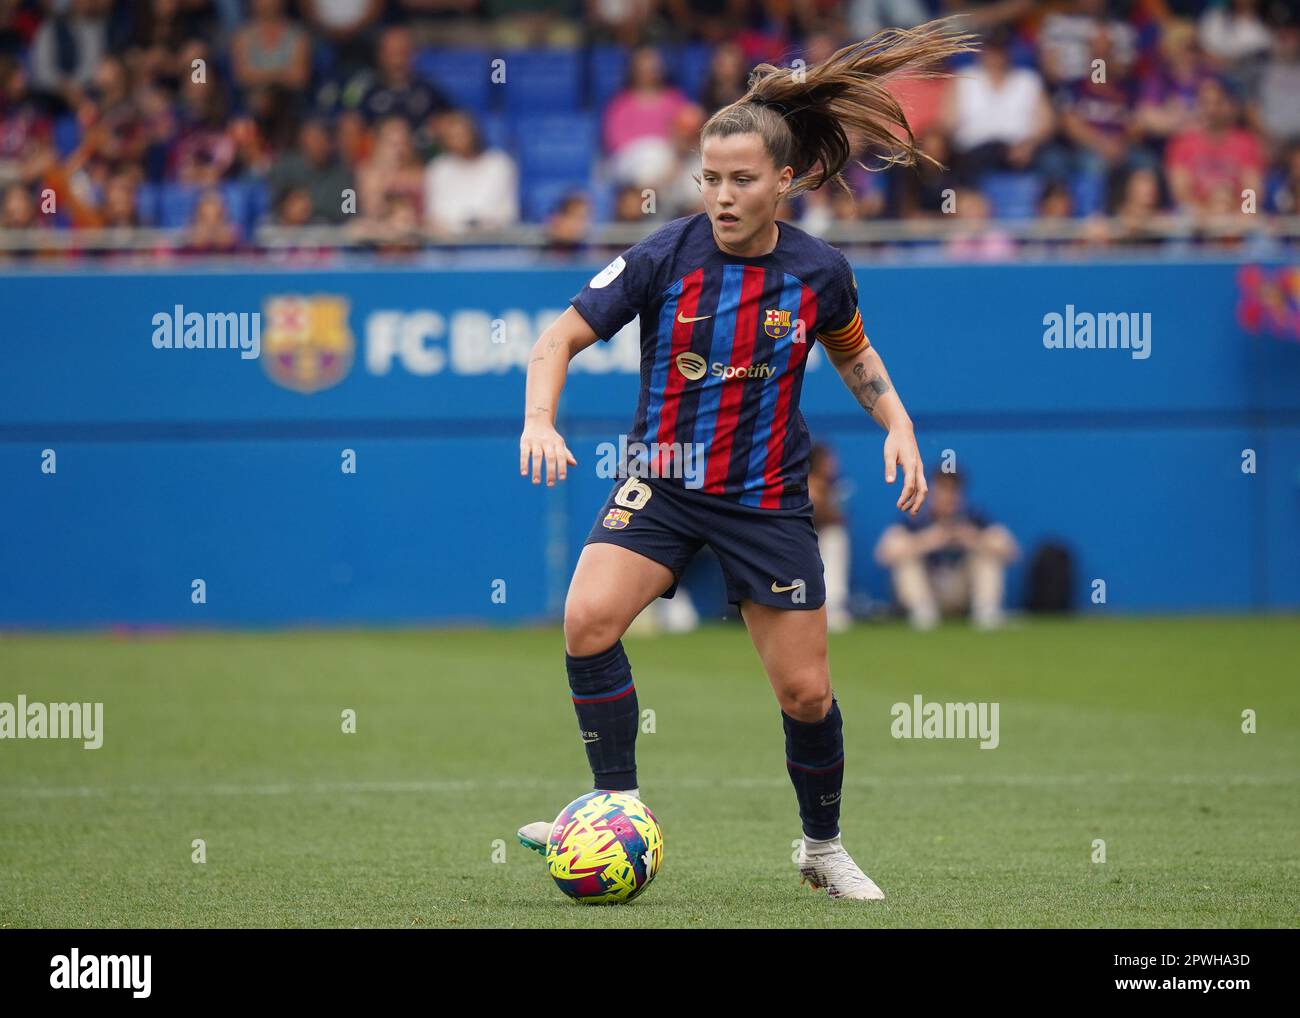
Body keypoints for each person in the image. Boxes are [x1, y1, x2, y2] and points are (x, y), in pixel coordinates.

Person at [516, 19, 976, 902]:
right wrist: (541, 421)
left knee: (806, 695)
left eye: (741, 180)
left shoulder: (819, 272)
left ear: (786, 181)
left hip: (766, 500)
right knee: (586, 623)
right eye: (711, 178)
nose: (722, 196)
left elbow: (852, 352)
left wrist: (899, 423)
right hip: (663, 483)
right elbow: (556, 341)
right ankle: (615, 811)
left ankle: (821, 846)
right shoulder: (665, 255)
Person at [873, 470, 1017, 630]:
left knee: (987, 555)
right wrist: (927, 541)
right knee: (906, 560)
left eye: (953, 491)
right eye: (942, 490)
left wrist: (973, 539)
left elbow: (1011, 551)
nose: (948, 497)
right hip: (931, 594)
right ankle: (922, 614)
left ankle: (986, 612)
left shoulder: (974, 518)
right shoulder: (916, 519)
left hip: (963, 591)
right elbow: (883, 554)